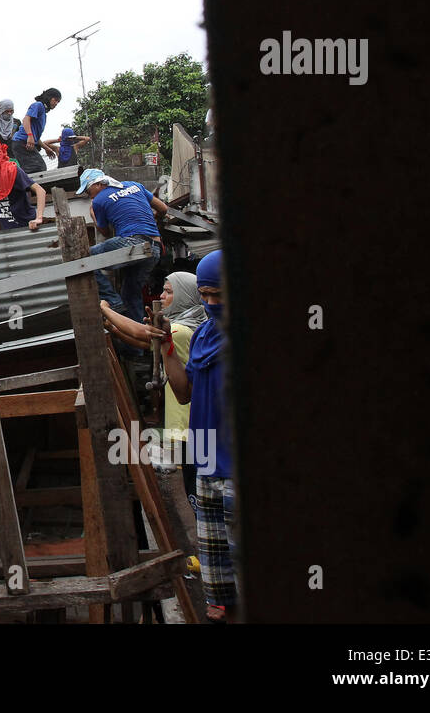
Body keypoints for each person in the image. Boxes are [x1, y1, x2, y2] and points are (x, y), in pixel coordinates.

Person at [161, 251, 236, 622]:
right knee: (213, 546)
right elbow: (184, 392)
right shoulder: (206, 333)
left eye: (218, 296)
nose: (210, 304)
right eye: (204, 295)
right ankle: (222, 600)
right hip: (206, 458)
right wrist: (166, 350)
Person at [99, 272, 205, 502]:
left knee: (196, 488)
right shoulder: (189, 324)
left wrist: (105, 308)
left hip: (190, 421)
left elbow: (142, 333)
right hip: (189, 419)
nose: (162, 296)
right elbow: (144, 342)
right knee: (194, 483)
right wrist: (115, 329)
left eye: (169, 291)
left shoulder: (179, 330)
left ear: (185, 296)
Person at [77, 168, 168, 323]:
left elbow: (105, 232)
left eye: (88, 190)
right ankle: (139, 344)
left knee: (84, 258)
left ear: (98, 184)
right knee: (131, 295)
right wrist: (151, 218)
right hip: (155, 248)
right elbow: (163, 209)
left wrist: (93, 214)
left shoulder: (98, 201)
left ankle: (113, 301)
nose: (88, 195)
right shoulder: (134, 185)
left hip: (133, 243)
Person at [10, 88, 62, 173]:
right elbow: (26, 119)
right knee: (37, 167)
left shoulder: (44, 114)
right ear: (49, 98)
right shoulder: (38, 105)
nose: (56, 103)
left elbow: (36, 138)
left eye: (58, 102)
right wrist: (30, 136)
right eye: (55, 100)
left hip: (25, 142)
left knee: (36, 168)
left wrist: (46, 148)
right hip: (21, 142)